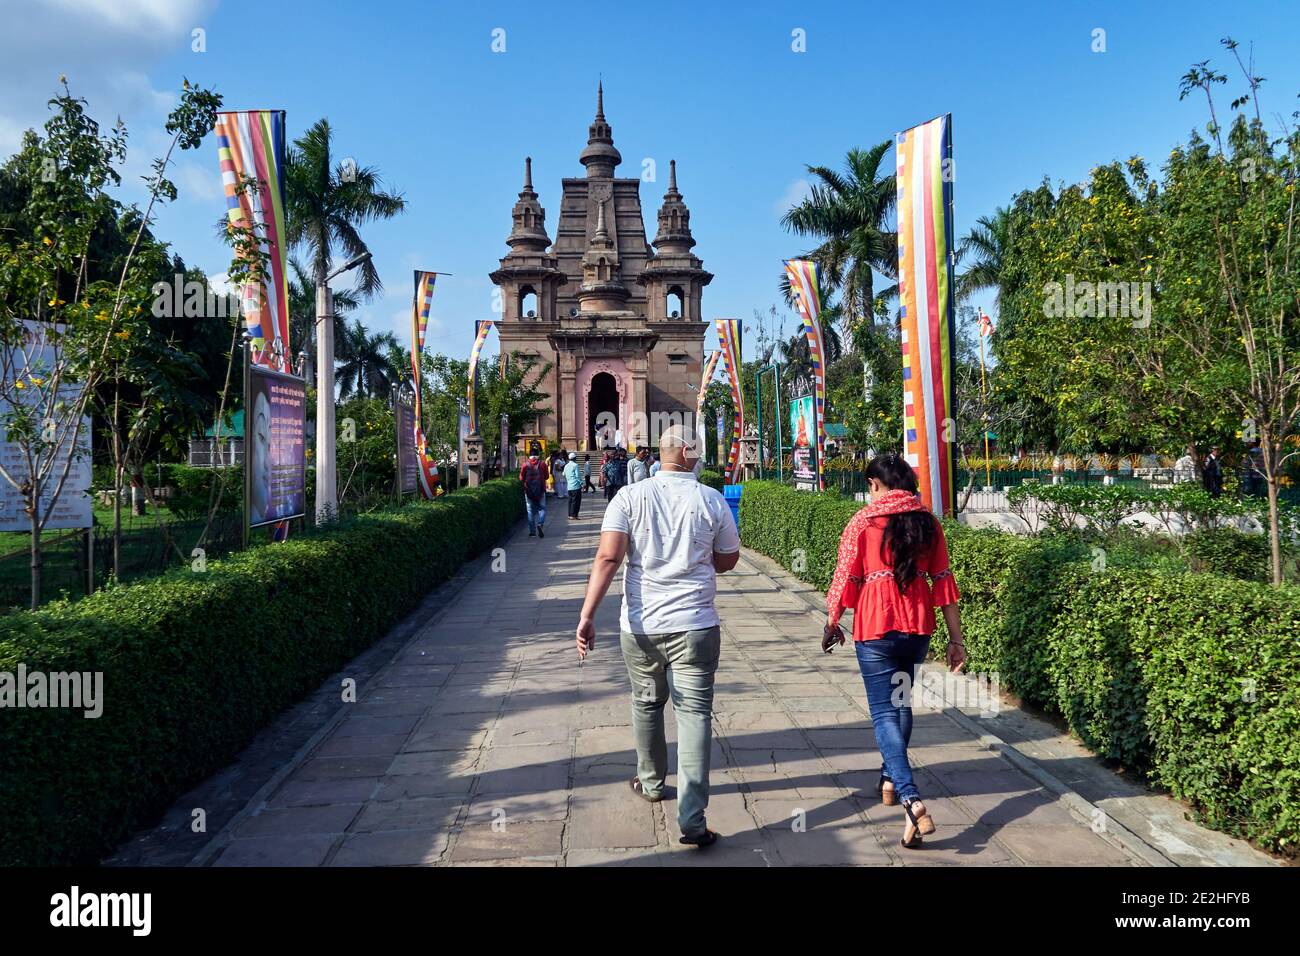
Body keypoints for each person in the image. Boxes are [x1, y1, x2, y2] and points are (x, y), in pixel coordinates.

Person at [576, 425, 740, 847]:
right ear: (687, 453)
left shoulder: (629, 498)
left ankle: (651, 783)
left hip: (642, 627)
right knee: (695, 714)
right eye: (697, 450)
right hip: (695, 626)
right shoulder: (711, 499)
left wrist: (587, 614)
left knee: (647, 704)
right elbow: (727, 560)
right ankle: (692, 818)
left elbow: (609, 556)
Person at [824, 452, 966, 850]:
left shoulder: (864, 522)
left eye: (869, 485)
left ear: (875, 484)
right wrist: (957, 641)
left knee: (884, 712)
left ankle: (909, 797)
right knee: (901, 704)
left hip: (875, 623)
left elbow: (847, 575)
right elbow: (944, 584)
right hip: (917, 625)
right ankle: (889, 780)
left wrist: (833, 619)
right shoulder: (928, 522)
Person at [519, 444, 549, 538]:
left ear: (529, 455)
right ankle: (540, 523)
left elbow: (521, 478)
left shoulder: (525, 464)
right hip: (541, 490)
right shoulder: (543, 464)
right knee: (542, 508)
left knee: (530, 511)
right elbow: (547, 476)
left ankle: (532, 532)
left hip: (528, 491)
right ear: (538, 454)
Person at [564, 452, 583, 519]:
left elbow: (564, 474)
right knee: (576, 501)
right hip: (576, 486)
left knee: (570, 501)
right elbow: (578, 476)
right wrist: (582, 483)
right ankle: (574, 515)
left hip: (569, 486)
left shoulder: (566, 466)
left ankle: (570, 514)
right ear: (575, 458)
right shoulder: (575, 465)